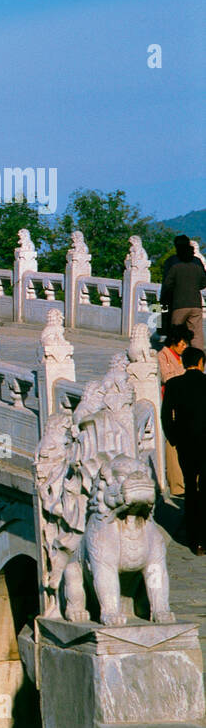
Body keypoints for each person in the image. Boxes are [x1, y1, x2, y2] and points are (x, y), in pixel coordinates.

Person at [161, 345, 206, 553]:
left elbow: (165, 417)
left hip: (186, 445)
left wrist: (174, 438)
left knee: (190, 487)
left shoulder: (173, 385)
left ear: (184, 363)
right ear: (200, 363)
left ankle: (194, 539)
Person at [159, 324, 191, 497]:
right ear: (174, 341)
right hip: (171, 404)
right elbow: (166, 377)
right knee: (172, 445)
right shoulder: (163, 356)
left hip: (184, 404)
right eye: (182, 343)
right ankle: (177, 485)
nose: (184, 346)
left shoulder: (180, 357)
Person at [161, 235, 206, 349]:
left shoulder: (173, 263)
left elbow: (167, 285)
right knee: (196, 334)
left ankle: (176, 356)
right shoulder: (197, 262)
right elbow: (203, 282)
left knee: (176, 332)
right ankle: (198, 358)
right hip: (196, 303)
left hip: (178, 304)